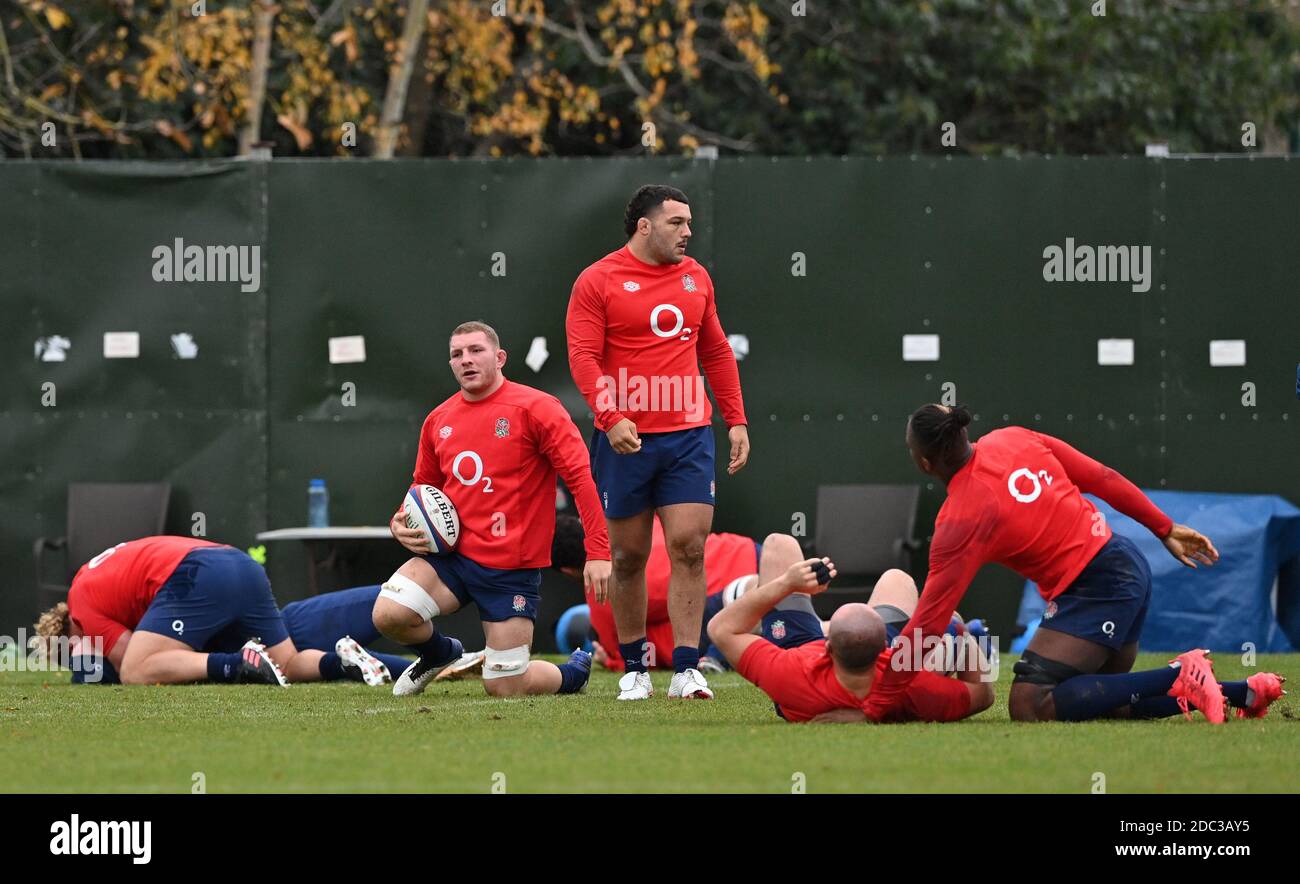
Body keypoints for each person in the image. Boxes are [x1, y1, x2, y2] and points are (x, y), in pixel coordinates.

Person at [864, 404, 1286, 724]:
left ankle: (1180, 672)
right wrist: (1163, 527)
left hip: (1098, 588)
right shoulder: (1013, 437)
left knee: (1030, 703)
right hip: (1125, 563)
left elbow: (931, 623)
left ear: (924, 462)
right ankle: (1244, 692)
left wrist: (877, 703)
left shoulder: (959, 519)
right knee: (1104, 701)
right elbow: (1101, 477)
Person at [566, 184, 749, 701]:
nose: (688, 232)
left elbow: (716, 351)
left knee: (690, 547)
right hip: (625, 440)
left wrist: (735, 419)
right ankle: (634, 671)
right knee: (627, 558)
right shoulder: (597, 280)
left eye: (690, 223)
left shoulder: (696, 278)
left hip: (689, 435)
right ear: (644, 226)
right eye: (677, 223)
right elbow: (582, 356)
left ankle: (688, 668)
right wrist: (610, 414)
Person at [372, 321, 612, 699]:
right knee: (389, 614)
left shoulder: (538, 408)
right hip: (452, 557)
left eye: (475, 351)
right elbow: (421, 491)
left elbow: (582, 479)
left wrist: (598, 552)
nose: (466, 360)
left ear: (500, 357)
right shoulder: (439, 419)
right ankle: (438, 654)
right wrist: (398, 523)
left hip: (510, 571)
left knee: (505, 687)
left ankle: (573, 675)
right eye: (457, 354)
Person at [35, 535, 371, 686]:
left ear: (70, 633)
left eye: (72, 655)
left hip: (196, 573)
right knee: (288, 664)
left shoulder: (82, 609)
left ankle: (237, 664)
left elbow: (130, 664)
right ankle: (341, 661)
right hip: (238, 562)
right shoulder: (93, 580)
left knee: (135, 670)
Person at [707, 556, 995, 723]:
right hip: (885, 661)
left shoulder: (790, 672)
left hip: (801, 655)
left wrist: (787, 584)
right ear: (888, 645)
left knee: (778, 543)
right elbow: (983, 695)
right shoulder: (912, 684)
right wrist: (964, 635)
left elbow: (720, 628)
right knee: (899, 579)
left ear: (827, 645)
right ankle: (969, 629)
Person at [46, 584, 410, 687]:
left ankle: (436, 663)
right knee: (298, 661)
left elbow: (114, 666)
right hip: (267, 629)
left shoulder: (98, 629)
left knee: (309, 654)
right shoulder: (115, 628)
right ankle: (436, 663)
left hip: (254, 638)